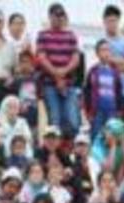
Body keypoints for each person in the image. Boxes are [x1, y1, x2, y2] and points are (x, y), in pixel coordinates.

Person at [35, 4, 81, 140]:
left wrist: (63, 73)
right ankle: (55, 152)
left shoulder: (71, 36)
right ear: (50, 17)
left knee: (73, 121)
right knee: (55, 121)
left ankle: (70, 151)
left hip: (69, 84)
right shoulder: (42, 35)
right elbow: (42, 58)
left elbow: (76, 58)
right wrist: (57, 76)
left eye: (62, 15)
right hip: (49, 85)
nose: (59, 18)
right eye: (56, 15)